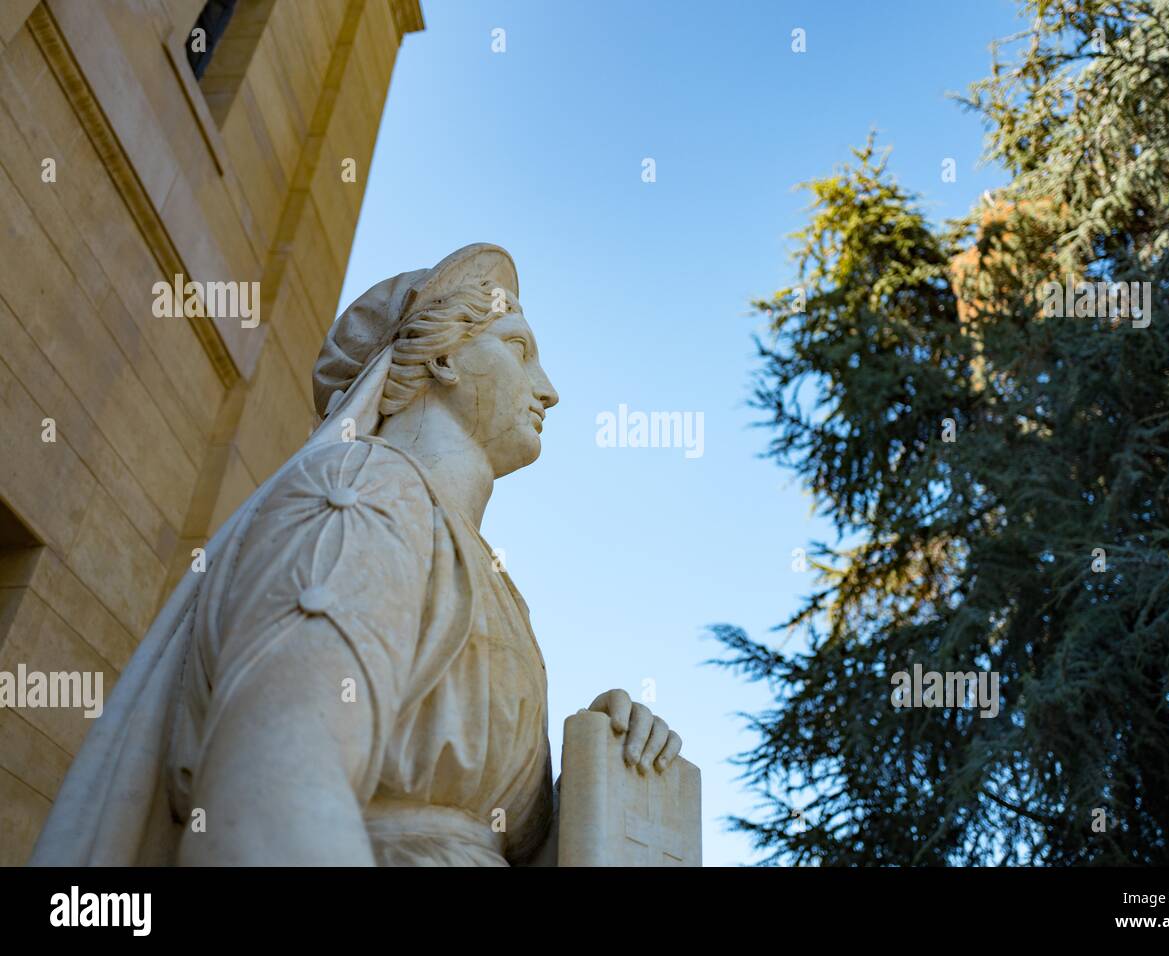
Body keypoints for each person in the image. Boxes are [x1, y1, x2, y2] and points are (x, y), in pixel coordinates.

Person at [31, 243, 682, 866]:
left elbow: (492, 842)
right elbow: (268, 800)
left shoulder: (496, 586)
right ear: (444, 360)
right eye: (518, 349)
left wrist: (599, 777)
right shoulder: (366, 494)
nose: (549, 390)